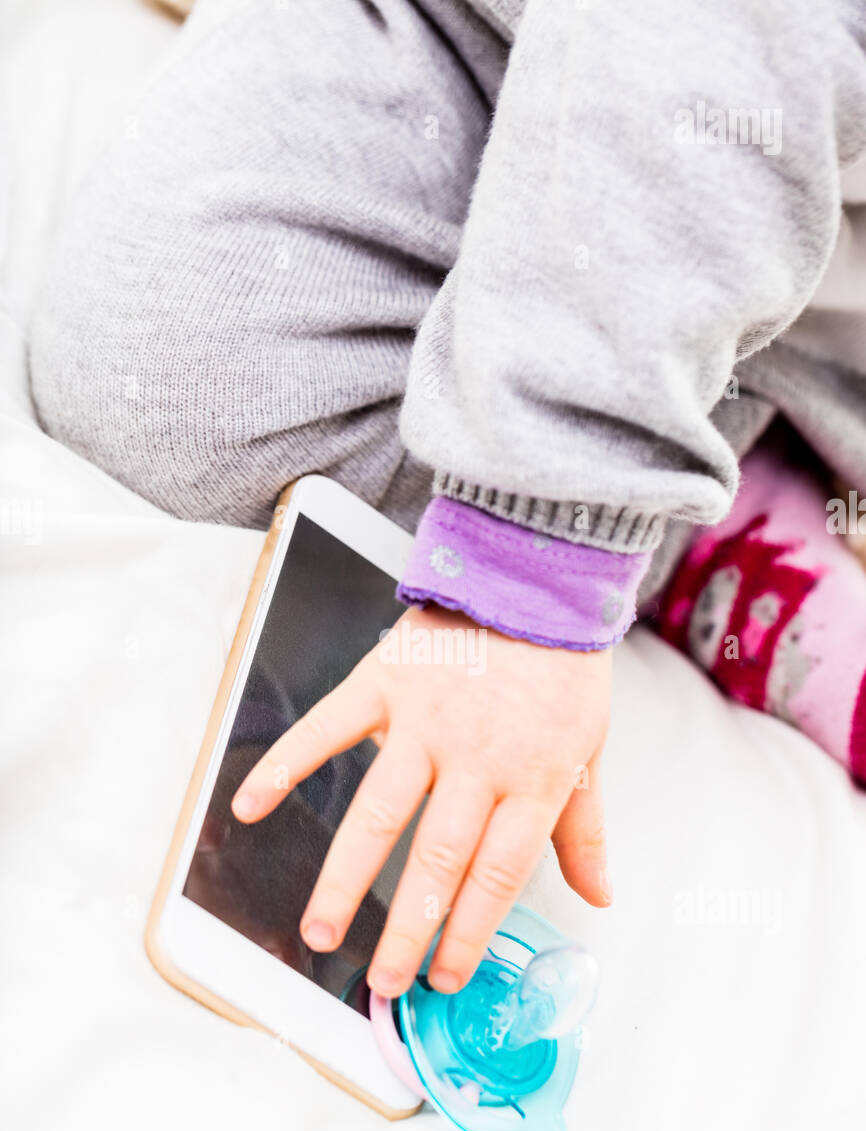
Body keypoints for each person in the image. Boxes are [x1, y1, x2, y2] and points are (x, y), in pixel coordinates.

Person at [28, 0, 866, 999]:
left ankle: (687, 473)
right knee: (176, 381)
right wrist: (543, 529)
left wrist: (536, 563)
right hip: (490, 47)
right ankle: (684, 485)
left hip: (793, 182)